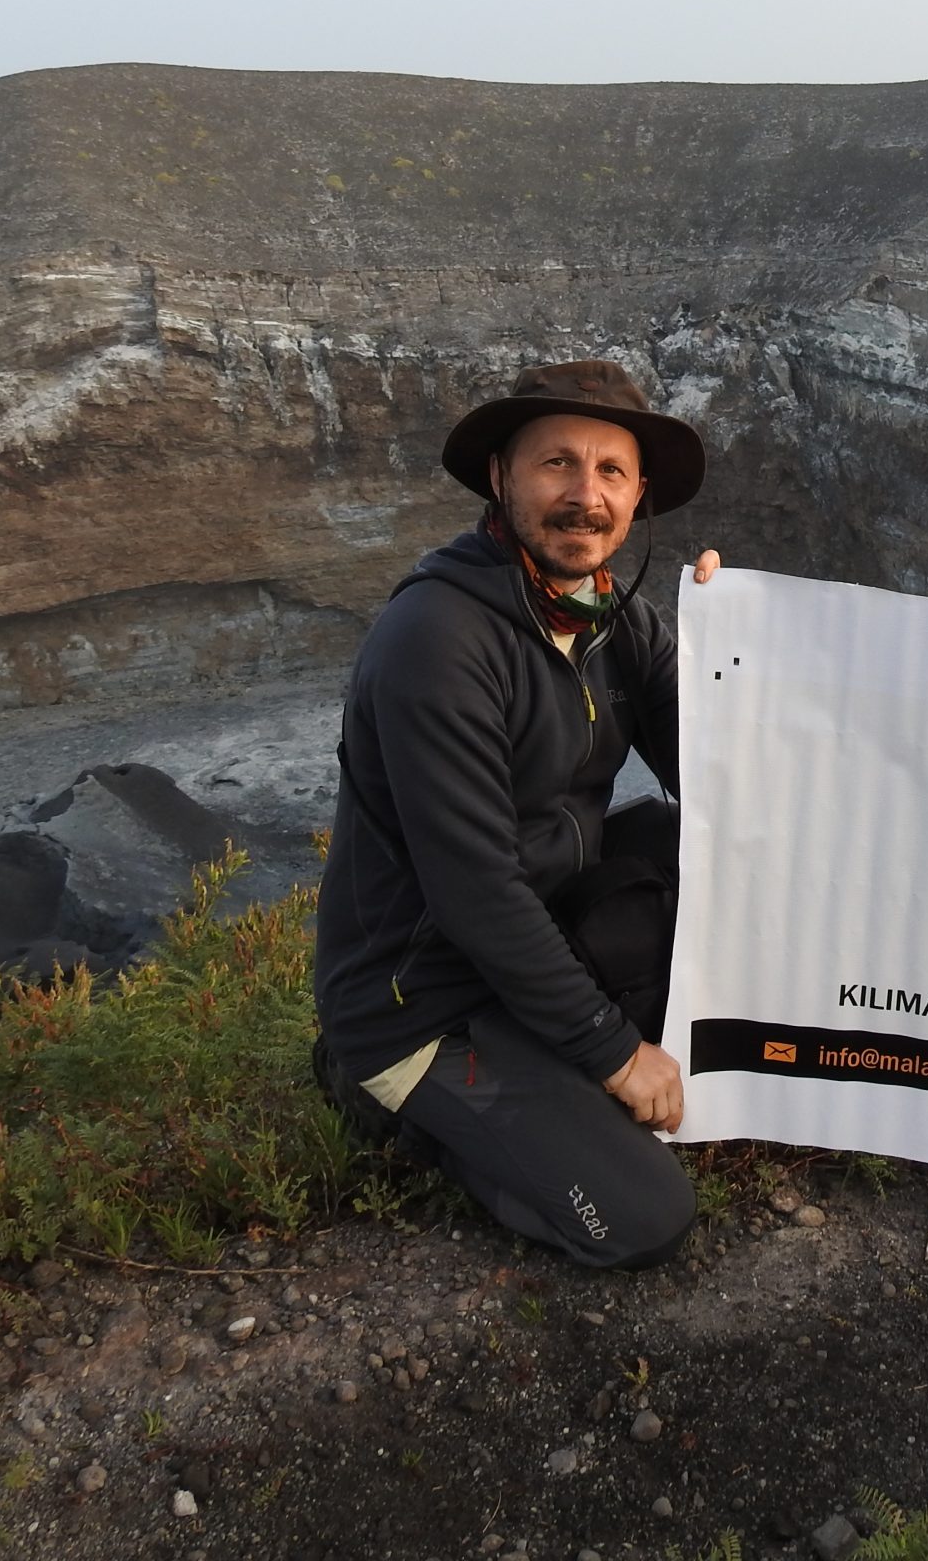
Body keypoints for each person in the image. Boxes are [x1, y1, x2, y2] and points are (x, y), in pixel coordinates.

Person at [312, 359, 722, 1269]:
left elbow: (721, 778)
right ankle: (387, 1098)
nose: (587, 496)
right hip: (423, 1000)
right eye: (557, 465)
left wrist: (732, 642)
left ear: (640, 493)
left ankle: (547, 1068)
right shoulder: (439, 640)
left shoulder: (616, 615)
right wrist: (615, 1054)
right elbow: (475, 890)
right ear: (501, 476)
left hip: (535, 935)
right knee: (643, 1213)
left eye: (612, 471)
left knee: (668, 835)